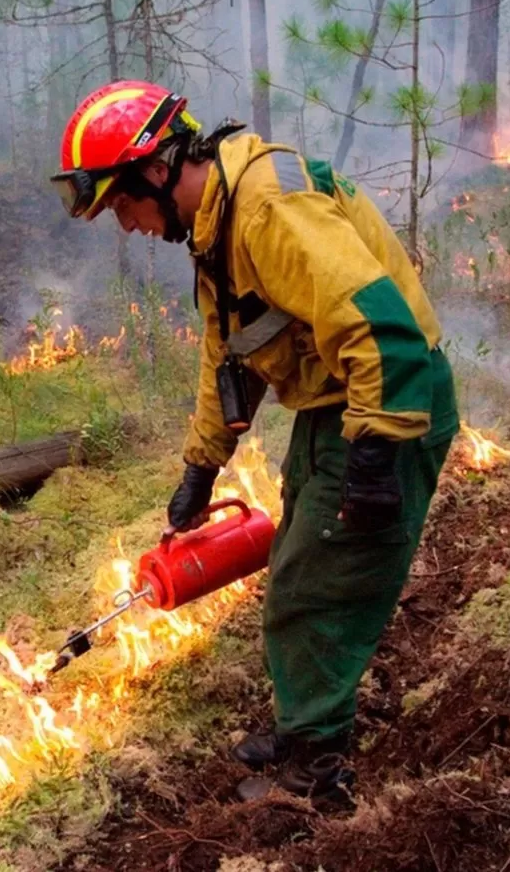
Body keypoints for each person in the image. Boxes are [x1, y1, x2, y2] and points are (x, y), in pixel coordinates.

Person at [51, 80, 458, 803]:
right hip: (336, 408)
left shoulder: (266, 206)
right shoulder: (220, 223)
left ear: (156, 169)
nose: (127, 225)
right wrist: (200, 467)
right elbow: (229, 353)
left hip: (387, 404)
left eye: (121, 205)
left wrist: (374, 456)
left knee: (314, 588)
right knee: (299, 568)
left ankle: (317, 771)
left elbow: (376, 323)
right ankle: (304, 727)